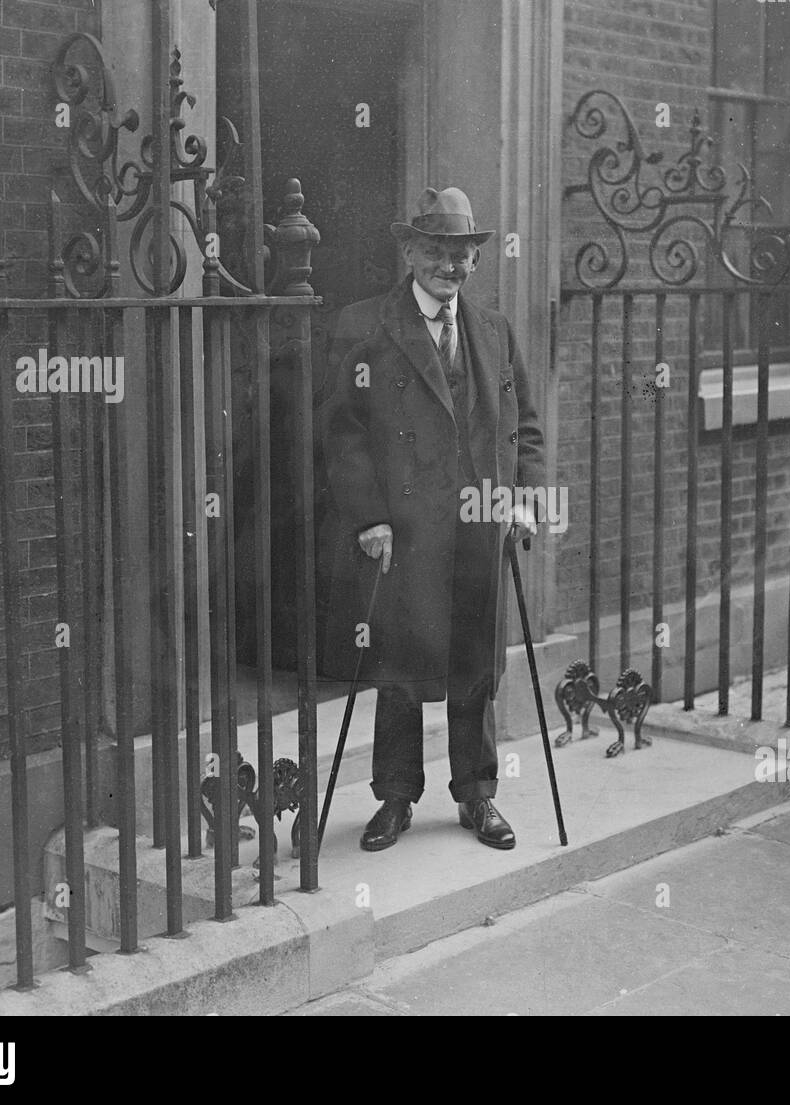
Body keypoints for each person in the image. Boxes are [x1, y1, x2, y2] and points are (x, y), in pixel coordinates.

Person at [318, 187, 546, 853]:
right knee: (400, 661)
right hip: (406, 531)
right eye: (439, 251)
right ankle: (394, 796)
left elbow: (522, 426)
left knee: (476, 660)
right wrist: (369, 518)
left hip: (480, 524)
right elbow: (343, 433)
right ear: (412, 252)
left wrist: (525, 499)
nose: (452, 265)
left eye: (464, 253)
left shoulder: (494, 331)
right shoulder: (366, 326)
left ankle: (477, 794)